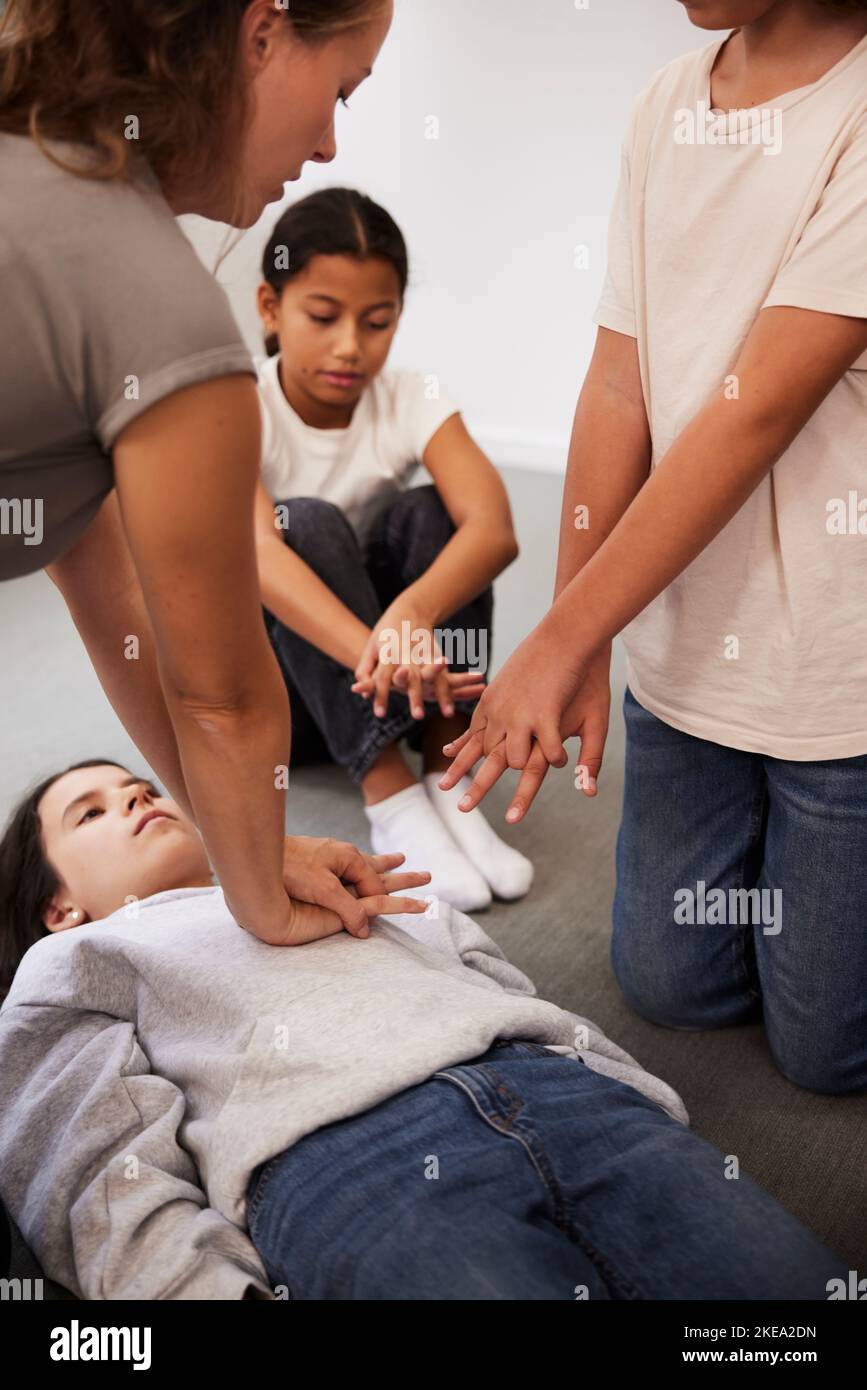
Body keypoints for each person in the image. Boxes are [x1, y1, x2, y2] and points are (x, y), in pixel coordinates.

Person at [439, 0, 867, 1095]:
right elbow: (619, 380)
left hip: (840, 677)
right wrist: (575, 635)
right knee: (669, 986)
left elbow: (755, 412)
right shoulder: (666, 104)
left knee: (826, 1053)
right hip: (690, 649)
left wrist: (568, 633)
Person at [0, 760, 847, 1301]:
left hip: (569, 1101)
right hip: (349, 1167)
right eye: (92, 812)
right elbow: (94, 1176)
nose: (137, 797)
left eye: (140, 784)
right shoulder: (80, 957)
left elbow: (490, 975)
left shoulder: (328, 874)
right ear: (58, 907)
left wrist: (611, 1083)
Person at [0, 0, 415, 947]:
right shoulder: (165, 318)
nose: (326, 145)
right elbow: (218, 694)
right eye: (340, 91)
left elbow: (115, 600)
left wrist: (250, 851)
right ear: (260, 35)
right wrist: (263, 905)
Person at [252, 188, 533, 912]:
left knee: (433, 513)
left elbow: (493, 527)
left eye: (377, 322)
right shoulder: (239, 404)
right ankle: (390, 789)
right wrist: (381, 653)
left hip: (411, 680)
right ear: (269, 308)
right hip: (293, 700)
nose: (351, 345)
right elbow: (257, 556)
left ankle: (448, 769)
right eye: (323, 317)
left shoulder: (408, 394)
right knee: (302, 523)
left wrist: (408, 615)